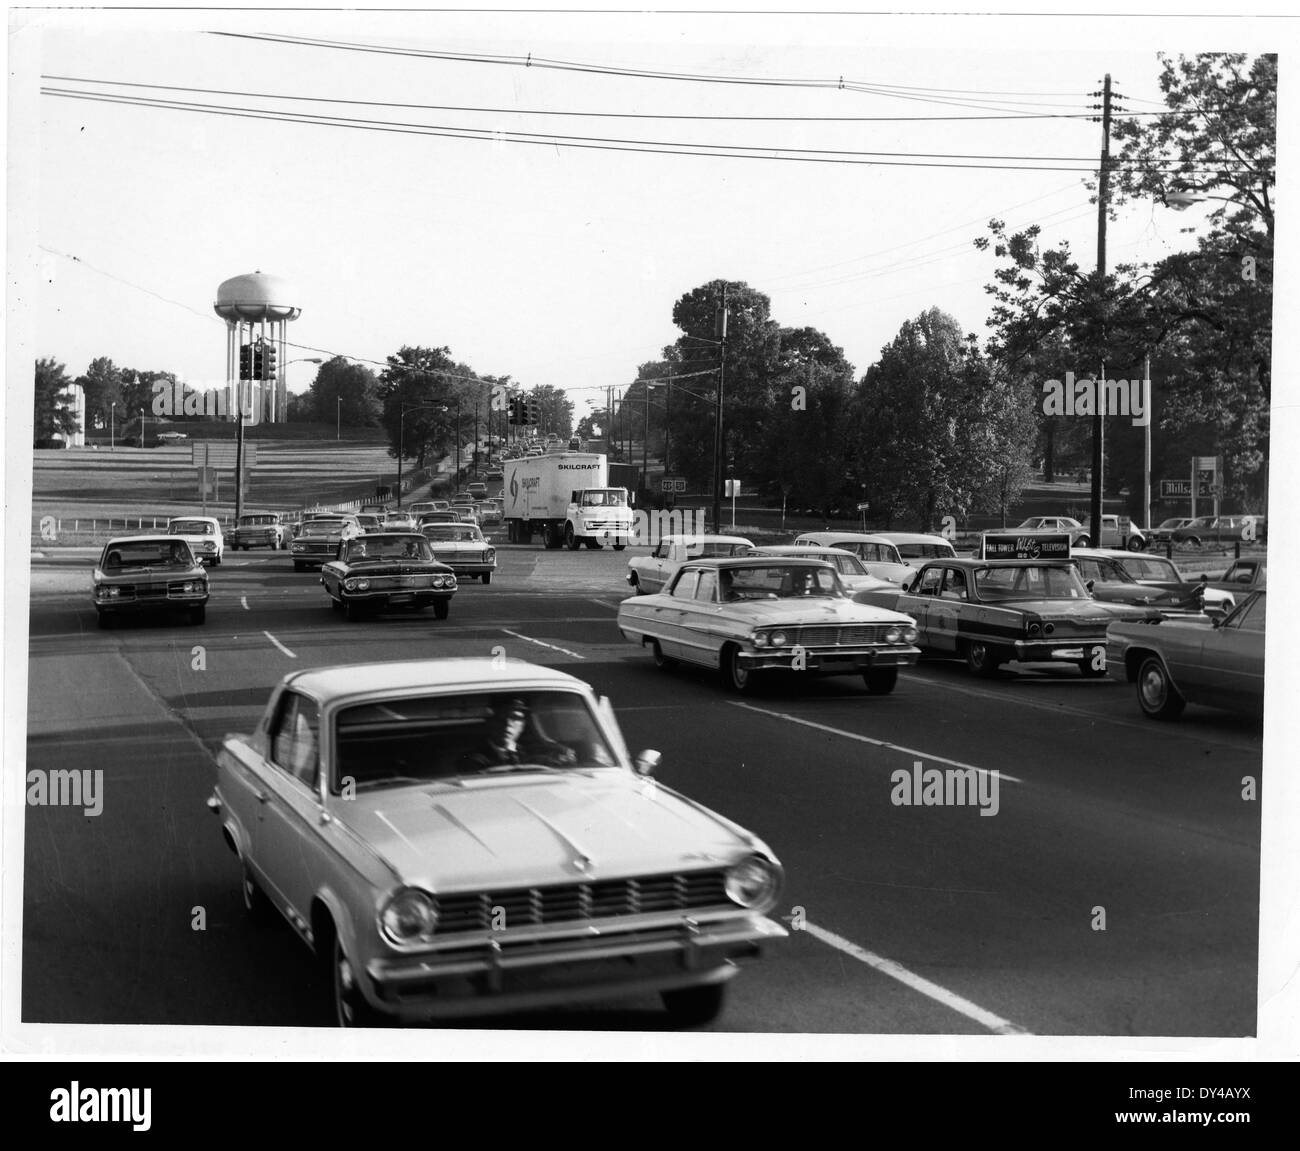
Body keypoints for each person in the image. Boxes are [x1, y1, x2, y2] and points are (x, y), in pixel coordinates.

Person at [459, 698, 577, 771]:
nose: (508, 723)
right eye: (502, 717)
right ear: (491, 722)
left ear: (522, 725)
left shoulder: (533, 752)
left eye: (515, 718)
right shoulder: (474, 758)